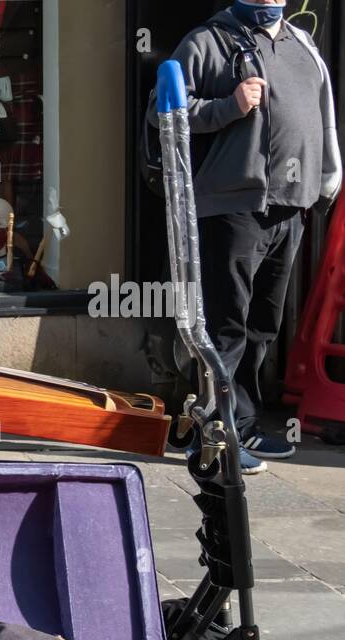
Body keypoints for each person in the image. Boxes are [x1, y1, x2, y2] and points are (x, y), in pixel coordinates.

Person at [160, 1, 340, 473]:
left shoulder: (302, 44)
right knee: (225, 326)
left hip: (291, 206)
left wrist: (322, 183)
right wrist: (229, 107)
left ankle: (238, 420)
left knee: (262, 324)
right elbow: (167, 118)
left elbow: (323, 118)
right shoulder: (206, 41)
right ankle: (214, 434)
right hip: (233, 207)